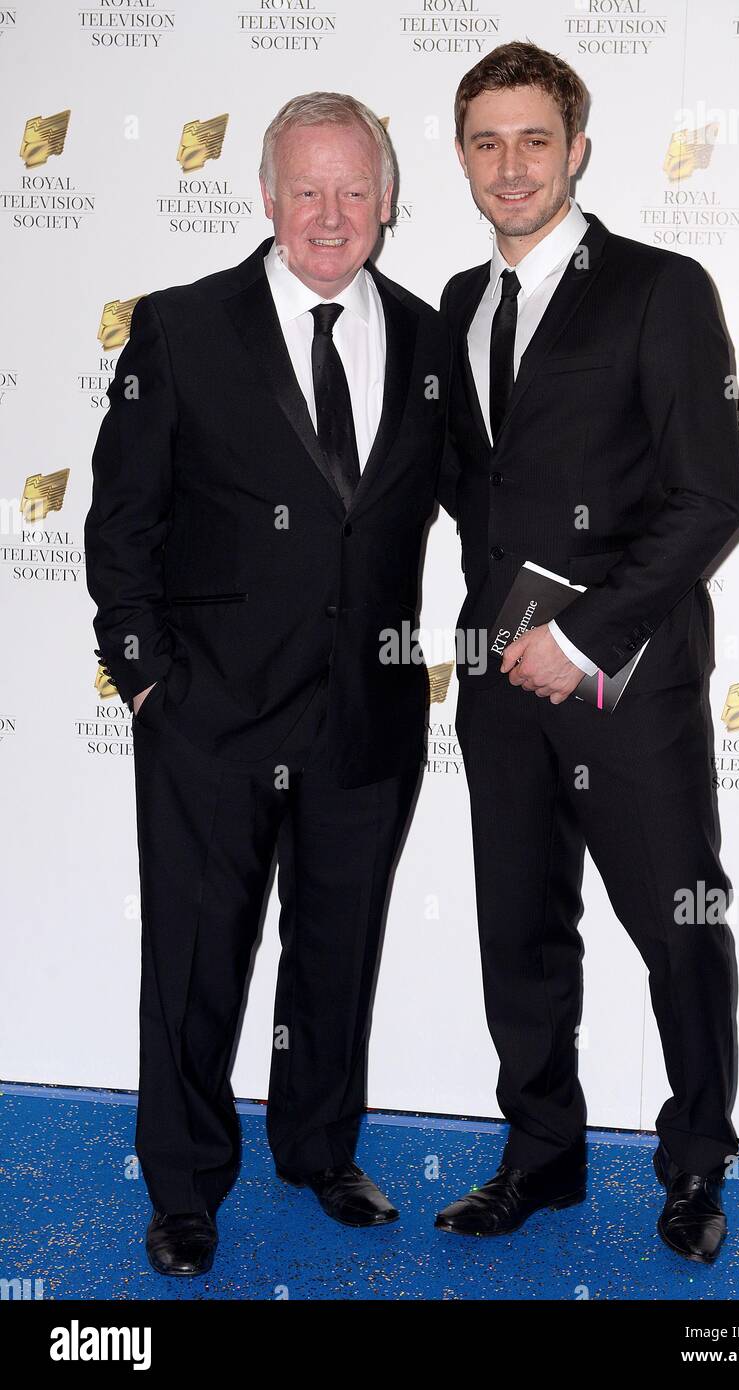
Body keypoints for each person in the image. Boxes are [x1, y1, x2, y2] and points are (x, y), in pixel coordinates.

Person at [84, 92, 448, 1277]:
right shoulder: (183, 329)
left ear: (388, 200)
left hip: (368, 716)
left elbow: (483, 510)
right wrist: (146, 682)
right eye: (307, 190)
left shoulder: (426, 338)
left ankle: (318, 1147)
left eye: (354, 190)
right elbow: (121, 524)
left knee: (336, 952)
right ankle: (183, 1186)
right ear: (266, 197)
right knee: (193, 959)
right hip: (210, 719)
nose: (330, 215)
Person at [435, 40, 739, 1263]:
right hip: (497, 685)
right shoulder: (461, 304)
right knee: (517, 927)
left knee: (677, 926)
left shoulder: (661, 288)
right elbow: (477, 491)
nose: (508, 166)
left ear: (575, 148)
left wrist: (577, 635)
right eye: (483, 141)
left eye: (531, 140)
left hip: (625, 680)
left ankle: (695, 1161)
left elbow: (709, 499)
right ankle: (540, 1154)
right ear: (461, 156)